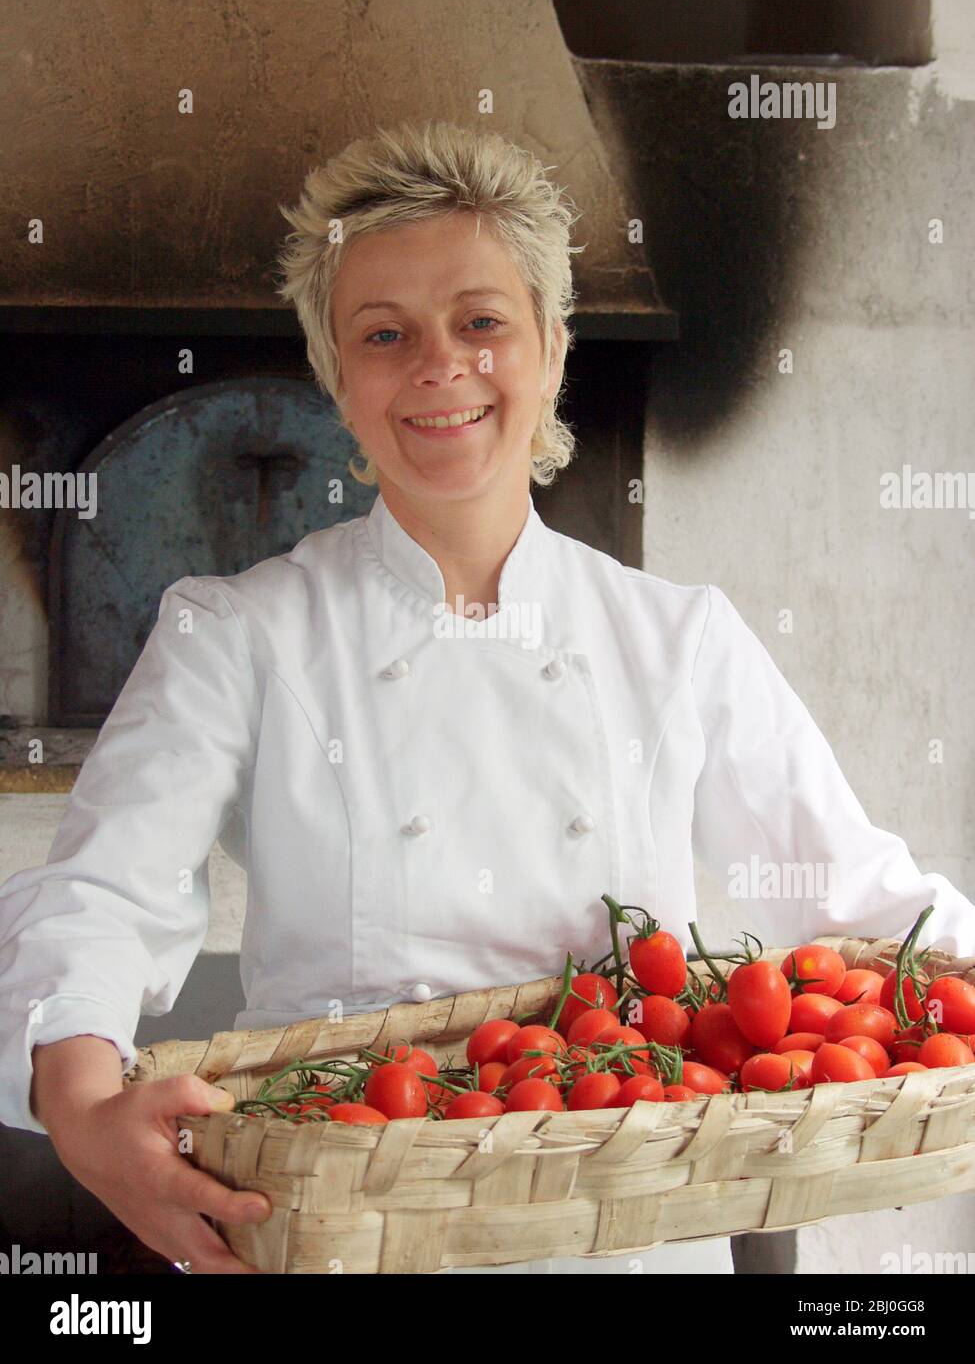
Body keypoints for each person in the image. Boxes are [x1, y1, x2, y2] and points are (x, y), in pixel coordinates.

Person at [1, 121, 973, 1276]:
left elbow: (860, 895)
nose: (439, 366)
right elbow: (107, 888)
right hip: (341, 1216)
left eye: (482, 321)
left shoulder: (677, 638)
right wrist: (78, 1094)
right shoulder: (239, 632)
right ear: (336, 380)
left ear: (553, 349)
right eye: (383, 334)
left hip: (626, 1224)